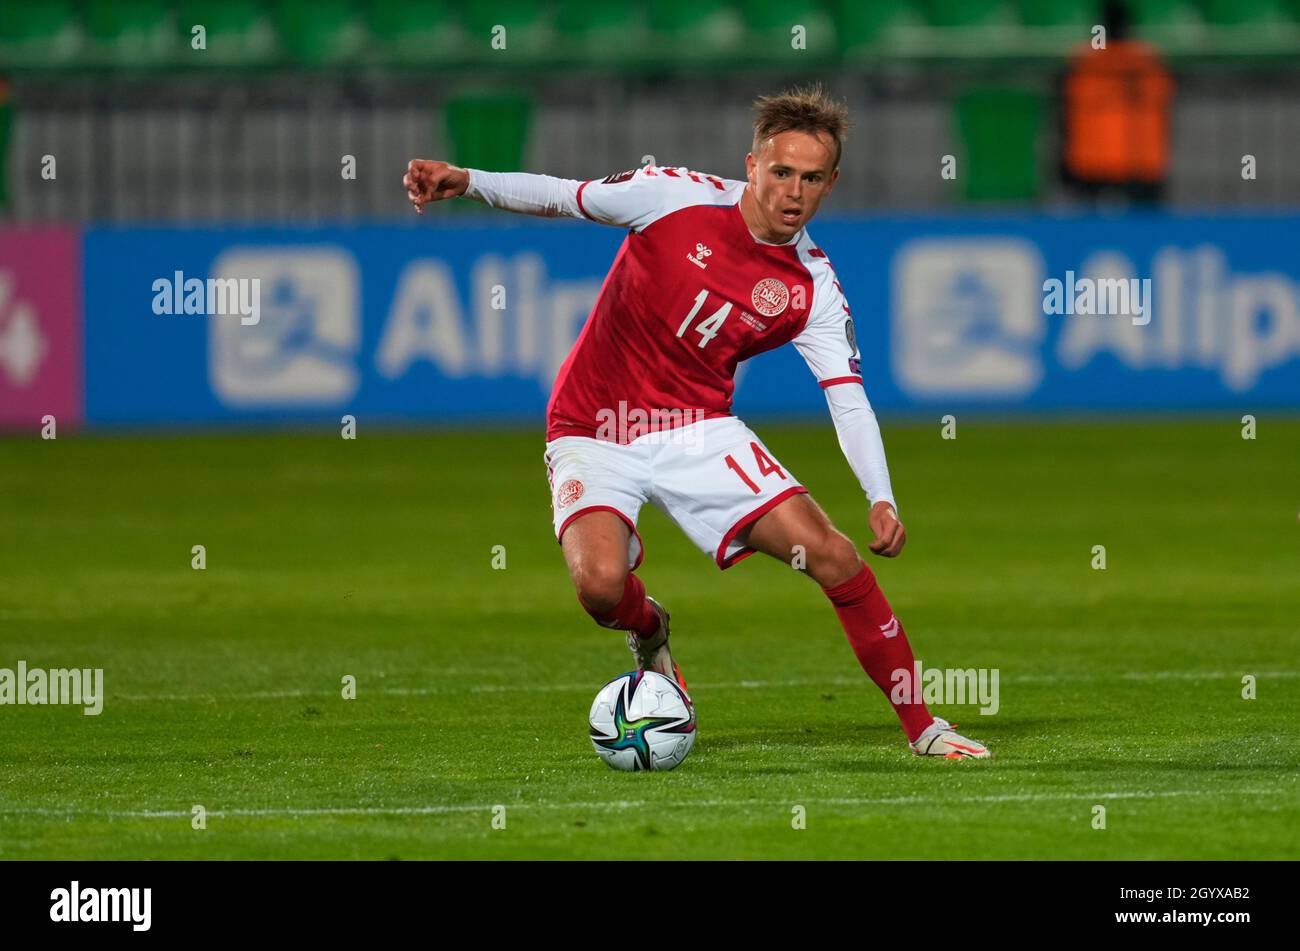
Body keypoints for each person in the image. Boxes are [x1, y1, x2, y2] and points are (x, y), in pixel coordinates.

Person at [404, 85, 989, 758]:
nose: (791, 190)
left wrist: (879, 495)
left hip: (697, 427)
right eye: (780, 172)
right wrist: (467, 180)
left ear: (832, 183)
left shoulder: (812, 286)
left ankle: (925, 727)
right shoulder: (671, 196)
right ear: (752, 165)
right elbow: (562, 195)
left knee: (831, 554)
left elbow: (846, 394)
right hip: (594, 423)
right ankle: (650, 630)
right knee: (600, 587)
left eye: (810, 178)